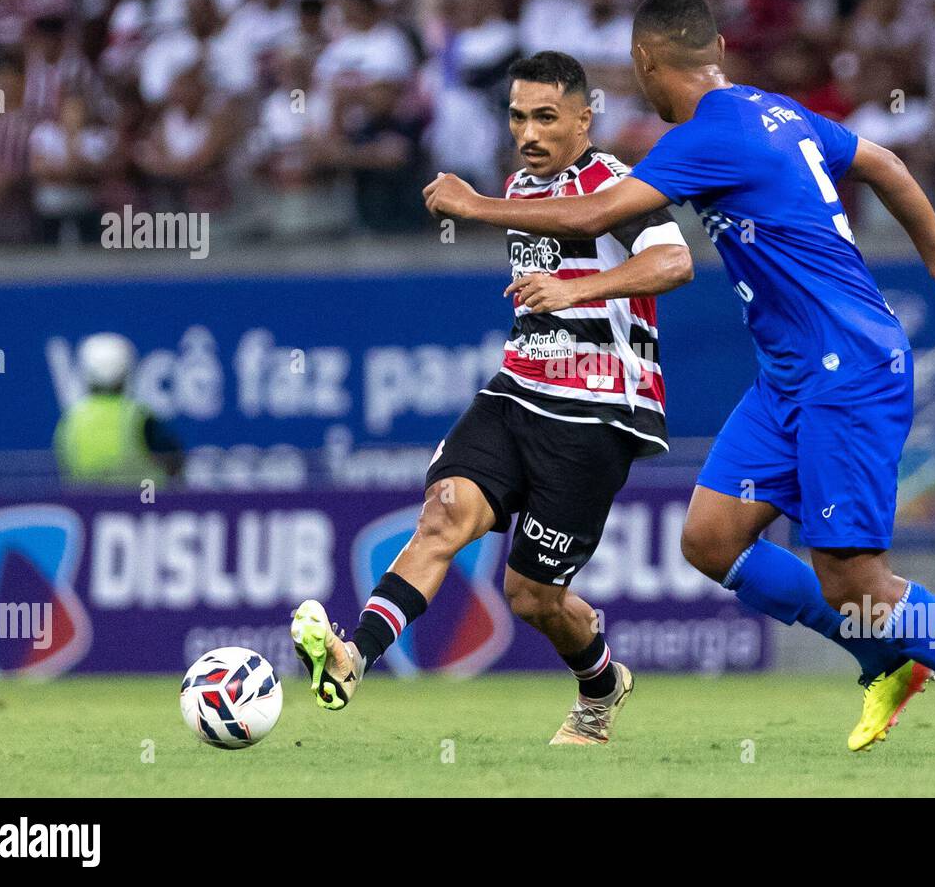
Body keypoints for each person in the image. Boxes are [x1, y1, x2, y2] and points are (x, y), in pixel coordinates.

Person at [424, 0, 935, 760]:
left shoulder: (708, 136)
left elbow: (594, 215)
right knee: (711, 538)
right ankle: (885, 656)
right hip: (789, 376)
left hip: (848, 369)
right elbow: (886, 164)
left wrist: (478, 205)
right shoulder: (779, 113)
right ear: (719, 48)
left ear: (645, 63)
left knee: (855, 580)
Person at [289, 52, 693, 745]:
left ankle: (600, 686)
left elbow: (674, 262)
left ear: (583, 119)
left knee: (530, 597)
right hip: (518, 389)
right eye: (517, 116)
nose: (528, 132)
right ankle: (355, 655)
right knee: (443, 516)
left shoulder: (620, 184)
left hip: (598, 409)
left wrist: (572, 288)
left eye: (546, 117)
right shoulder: (519, 186)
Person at [53, 333, 184, 486]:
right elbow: (174, 460)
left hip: (87, 507)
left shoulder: (71, 420)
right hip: (144, 504)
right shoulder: (138, 416)